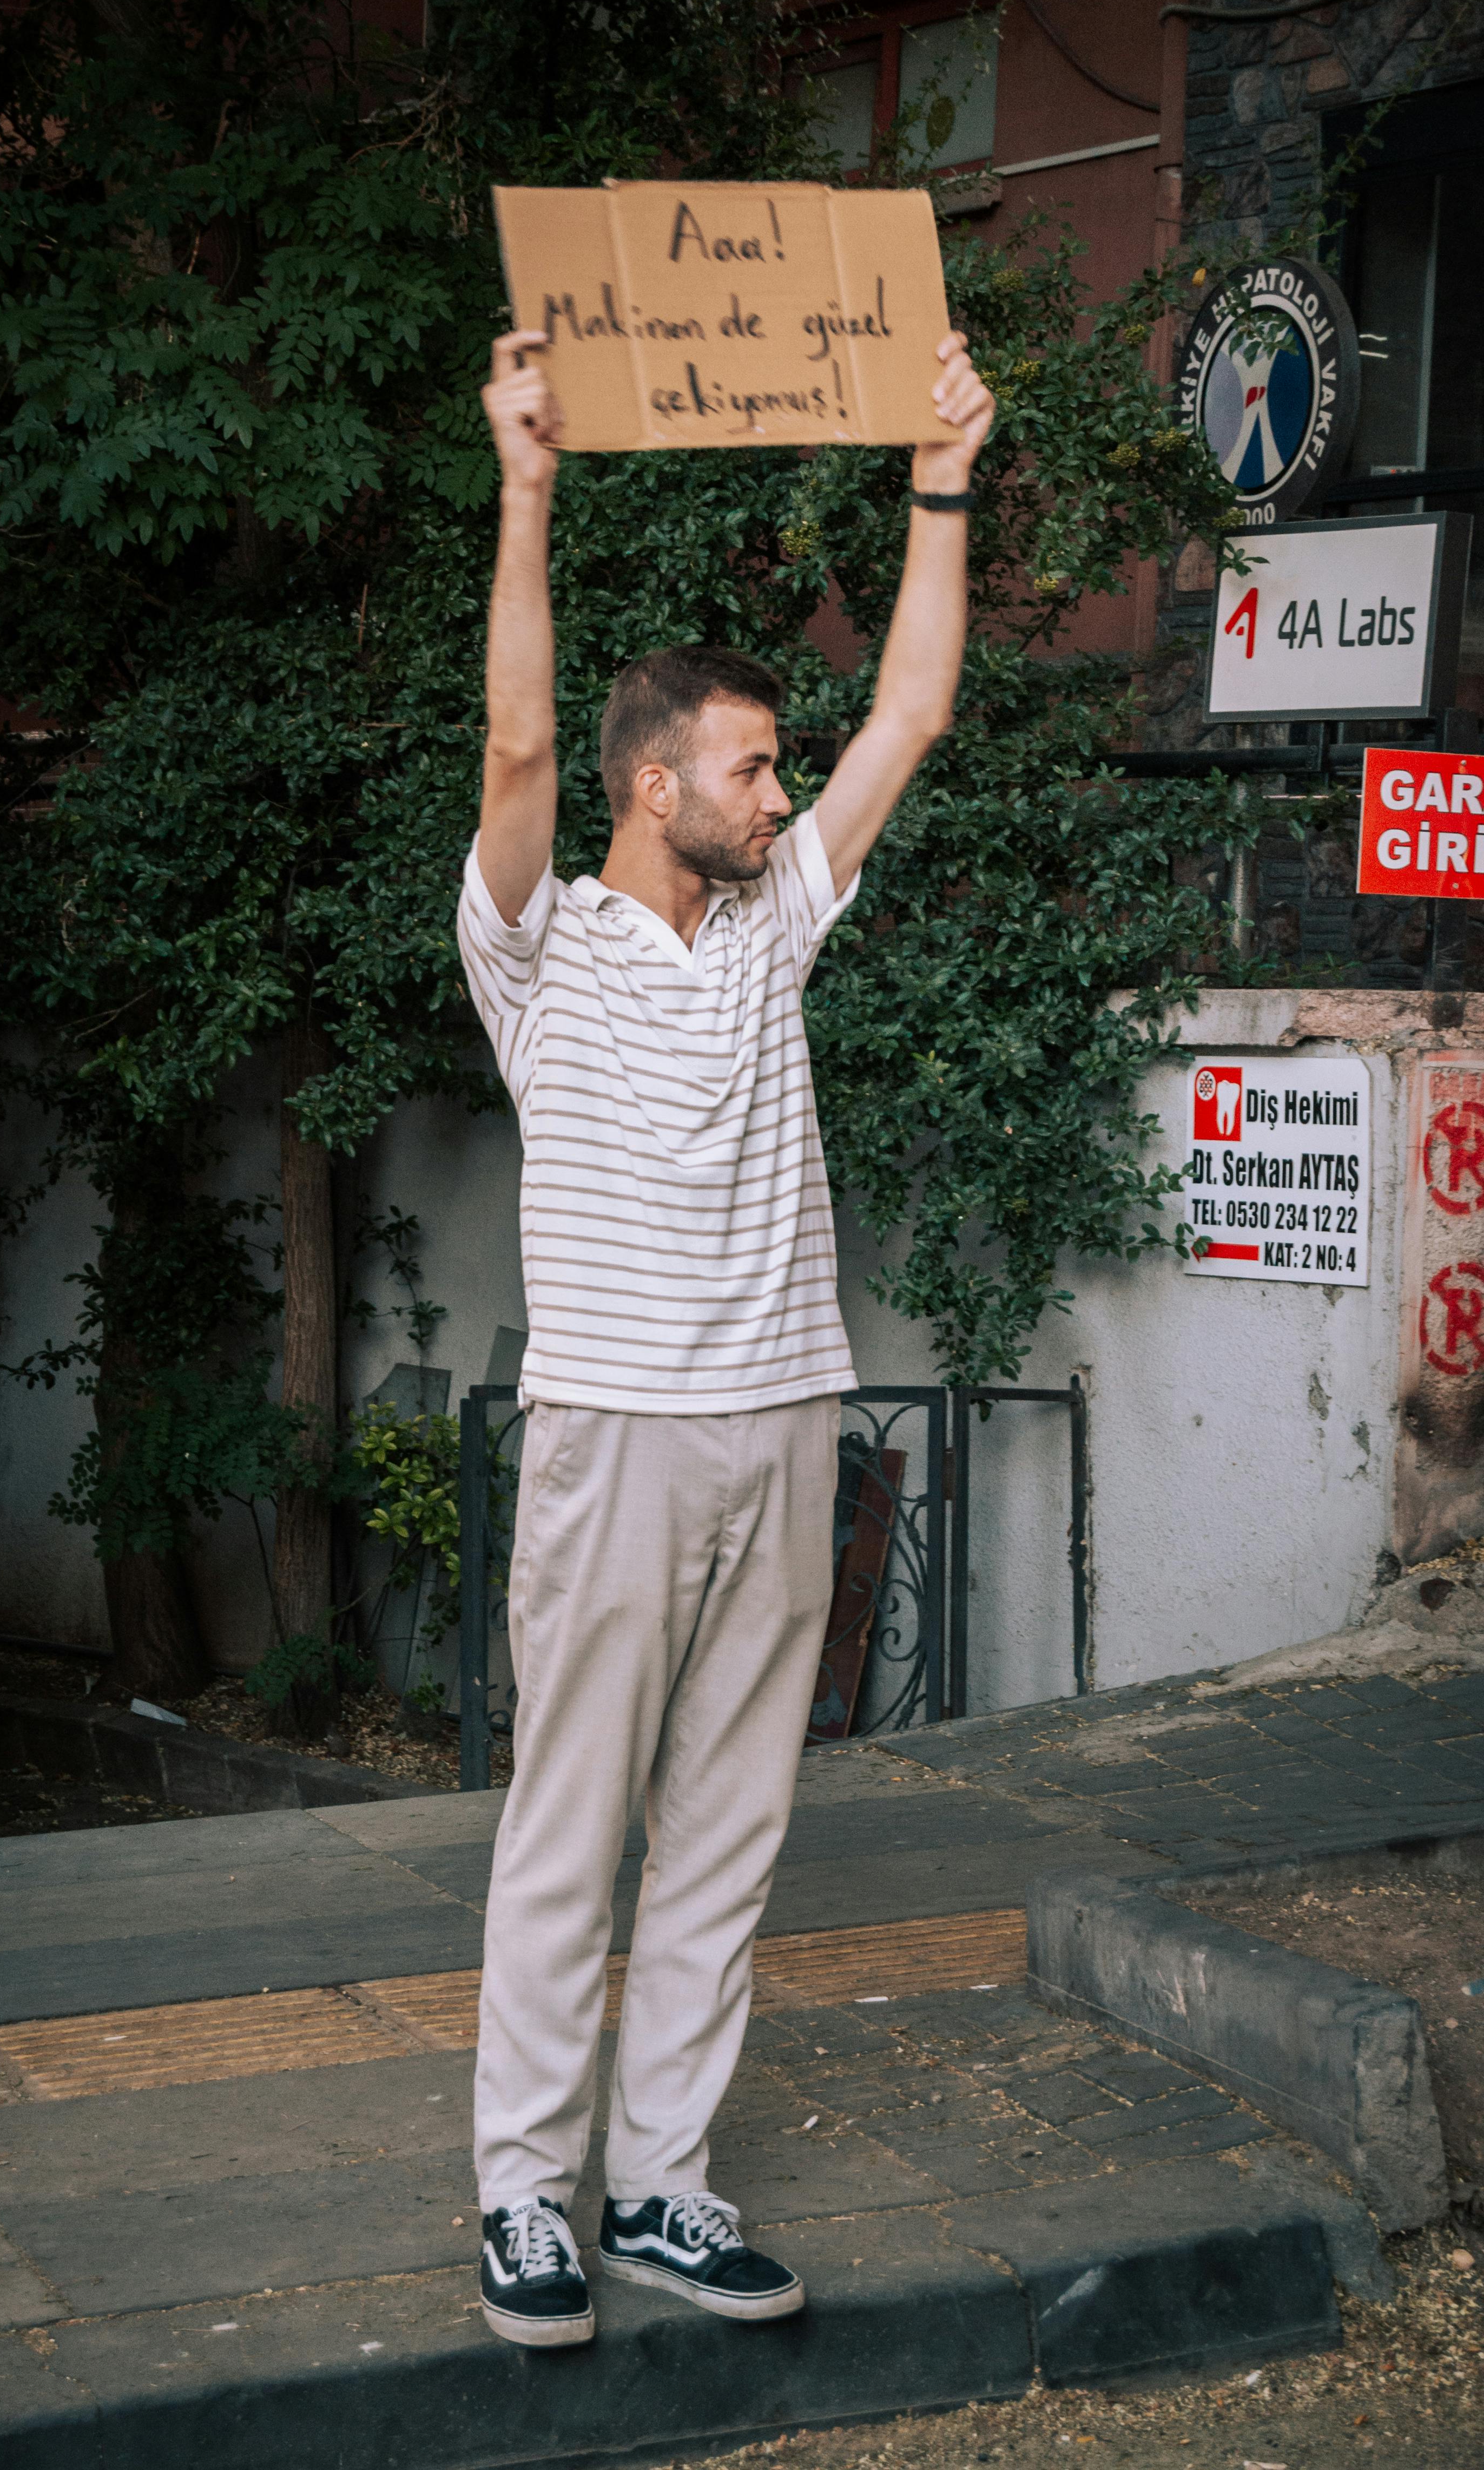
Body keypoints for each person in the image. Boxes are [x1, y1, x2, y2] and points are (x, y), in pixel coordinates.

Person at [458, 325, 994, 2348]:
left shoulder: (776, 921)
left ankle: (665, 2185)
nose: (780, 790)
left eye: (780, 766)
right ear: (652, 780)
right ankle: (528, 2199)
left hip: (783, 1420)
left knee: (730, 1830)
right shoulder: (534, 945)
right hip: (615, 1429)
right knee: (568, 1828)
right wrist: (529, 484)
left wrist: (943, 472)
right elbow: (514, 755)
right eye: (751, 763)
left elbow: (919, 705)